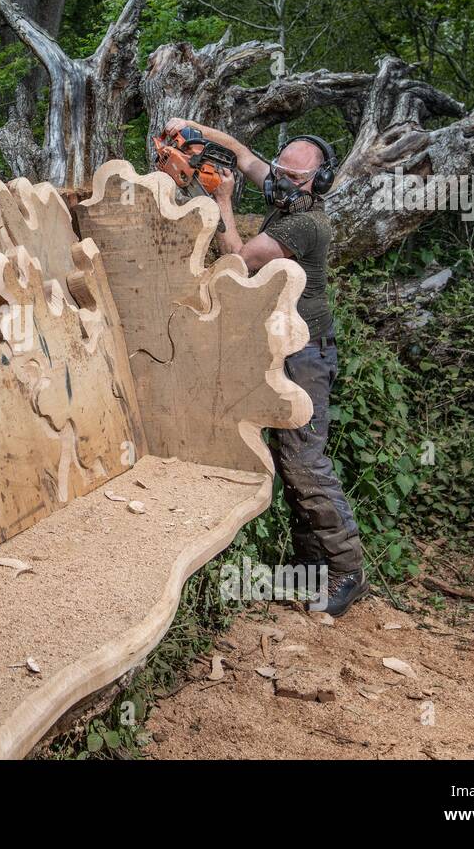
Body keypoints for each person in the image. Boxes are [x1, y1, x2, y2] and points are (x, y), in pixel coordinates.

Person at [164, 118, 368, 617]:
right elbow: (242, 152)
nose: (280, 181)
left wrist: (223, 200)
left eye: (295, 177)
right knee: (287, 456)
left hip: (306, 353)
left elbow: (238, 261)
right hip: (280, 345)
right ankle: (309, 566)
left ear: (318, 182)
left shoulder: (305, 224)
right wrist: (192, 129)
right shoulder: (283, 187)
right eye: (281, 170)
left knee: (304, 461)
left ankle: (347, 569)